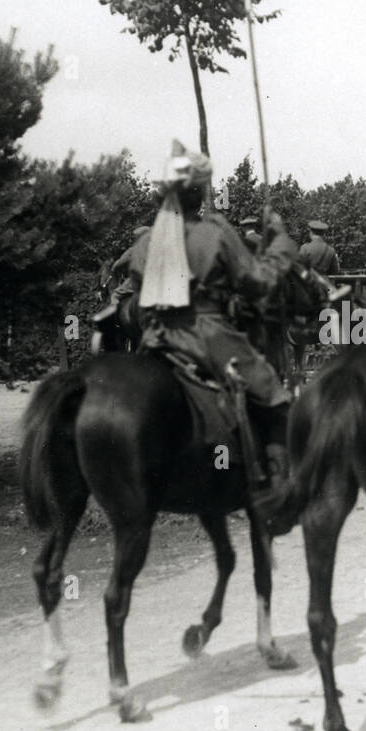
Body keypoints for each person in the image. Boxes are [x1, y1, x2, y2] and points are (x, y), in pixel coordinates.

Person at [129, 143, 299, 516]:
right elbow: (257, 282)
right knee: (273, 394)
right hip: (208, 335)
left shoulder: (144, 242)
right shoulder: (216, 232)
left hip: (157, 338)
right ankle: (277, 487)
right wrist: (282, 244)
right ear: (200, 190)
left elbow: (137, 296)